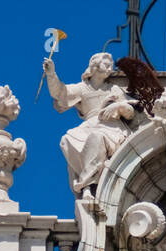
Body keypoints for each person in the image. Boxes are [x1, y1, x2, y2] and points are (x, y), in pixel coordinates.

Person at [43, 52, 137, 198]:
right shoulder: (83, 88)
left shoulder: (113, 89)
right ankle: (88, 179)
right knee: (66, 140)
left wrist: (117, 106)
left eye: (111, 65)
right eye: (106, 65)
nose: (110, 68)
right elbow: (61, 93)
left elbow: (130, 112)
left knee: (96, 138)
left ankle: (87, 186)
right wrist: (51, 74)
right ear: (94, 67)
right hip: (90, 125)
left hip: (111, 128)